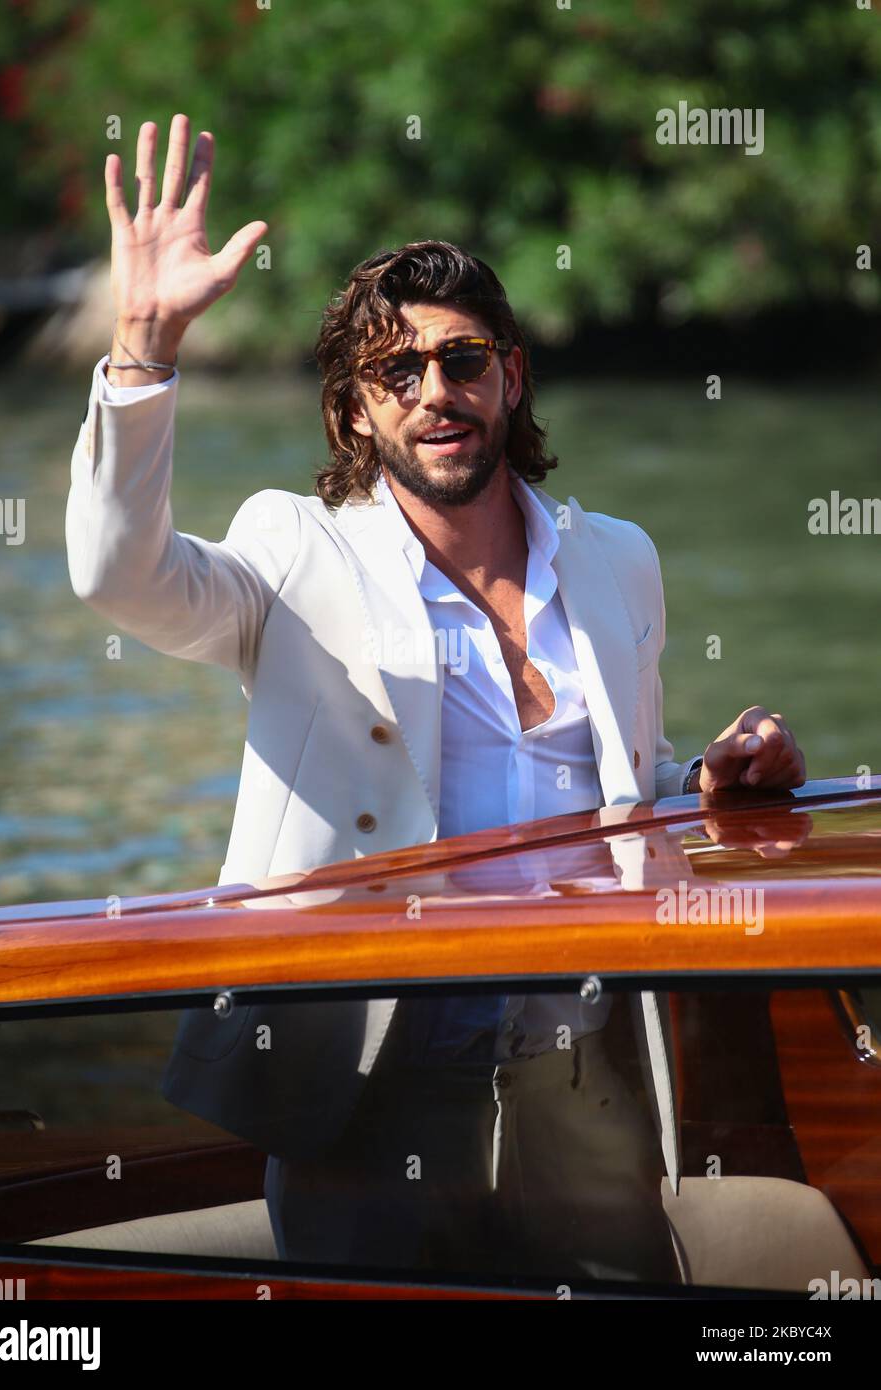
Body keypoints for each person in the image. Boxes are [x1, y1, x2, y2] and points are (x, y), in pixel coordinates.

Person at [66, 114, 807, 1283]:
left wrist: (714, 781)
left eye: (462, 359)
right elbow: (121, 575)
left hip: (584, 1061)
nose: (434, 391)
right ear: (355, 410)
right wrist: (144, 347)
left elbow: (622, 791)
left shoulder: (616, 558)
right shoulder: (295, 552)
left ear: (510, 376)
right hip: (370, 1065)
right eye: (395, 371)